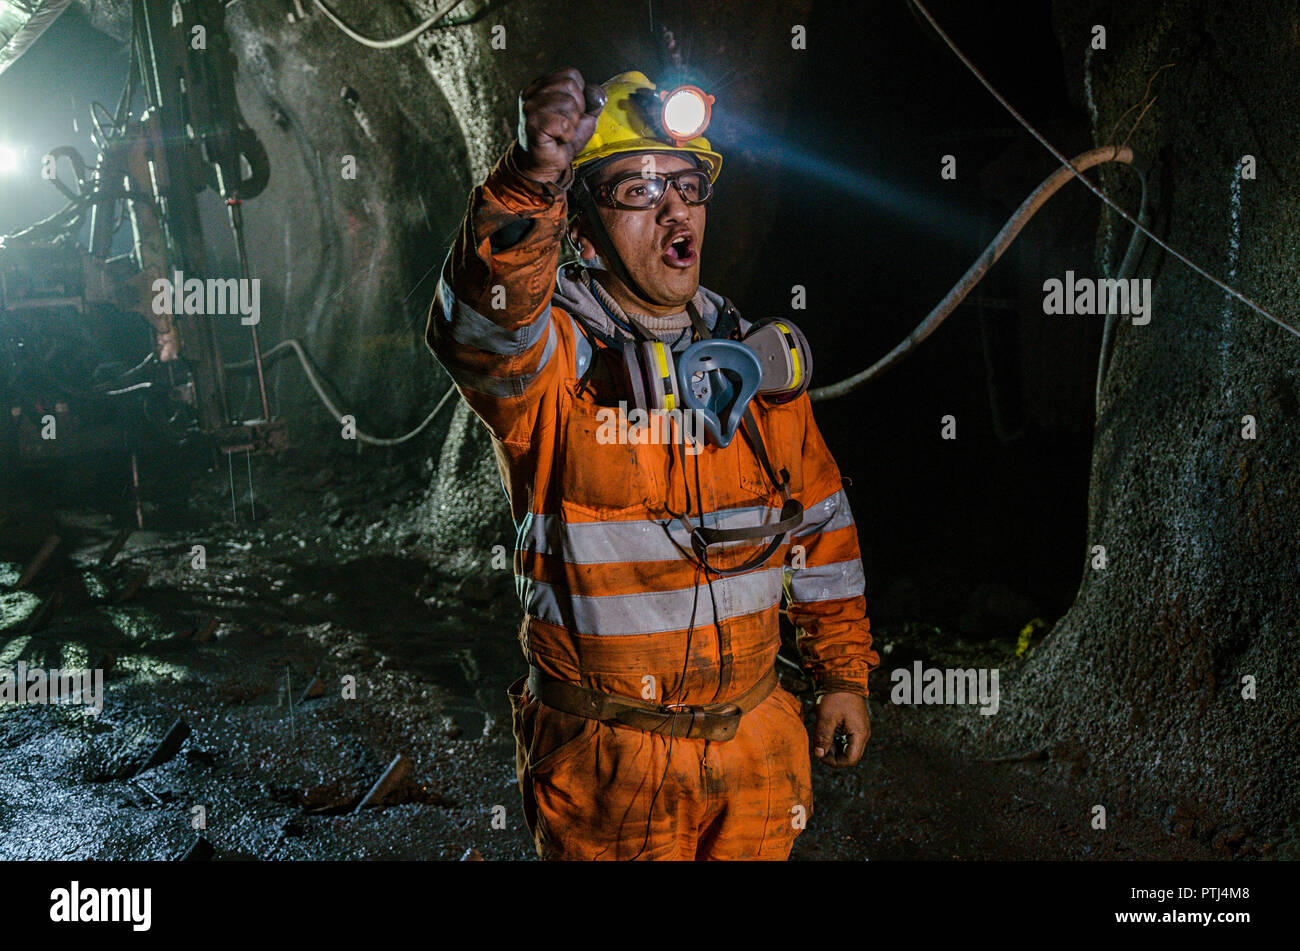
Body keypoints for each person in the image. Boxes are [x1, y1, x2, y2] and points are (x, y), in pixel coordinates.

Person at [427, 67, 878, 860]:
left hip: (757, 751)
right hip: (611, 768)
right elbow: (478, 328)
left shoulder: (756, 367)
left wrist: (841, 674)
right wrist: (532, 181)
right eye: (636, 190)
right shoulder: (555, 368)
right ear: (583, 229)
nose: (673, 208)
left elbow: (822, 532)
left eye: (686, 184)